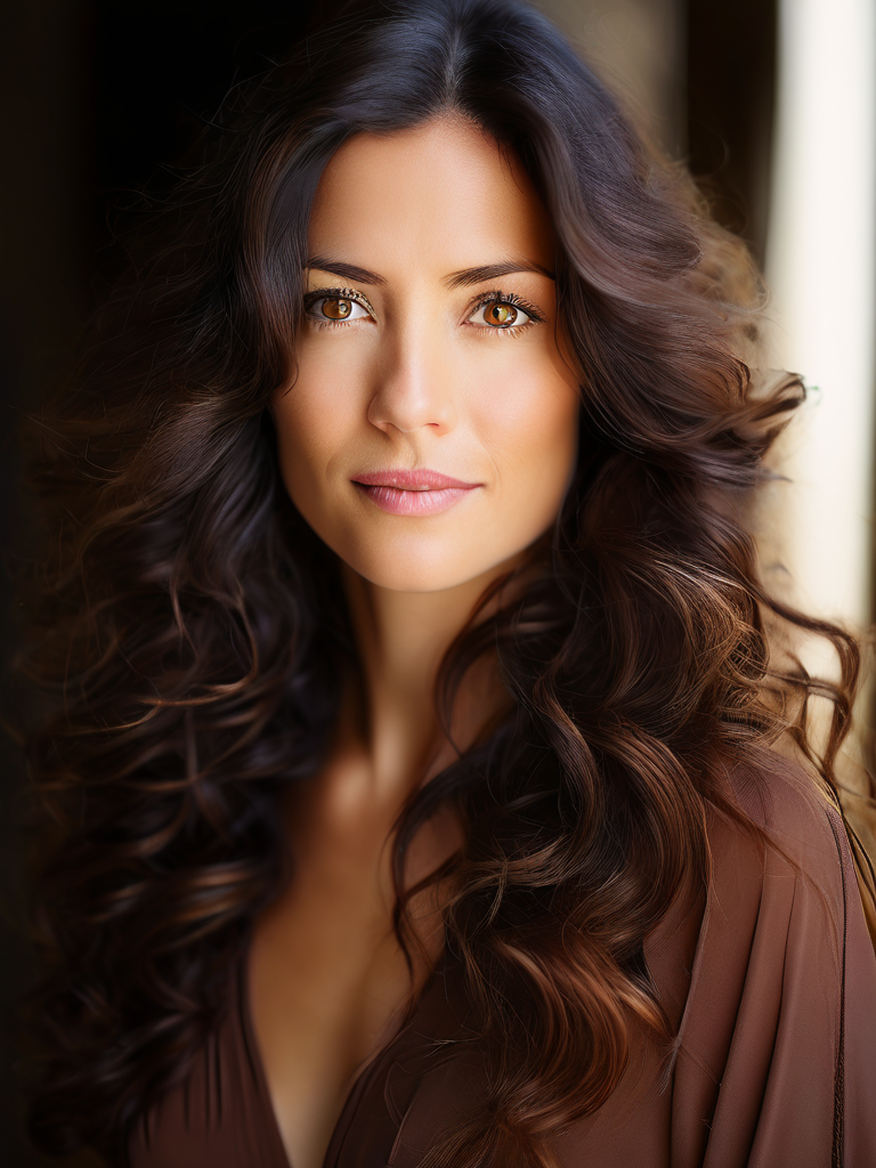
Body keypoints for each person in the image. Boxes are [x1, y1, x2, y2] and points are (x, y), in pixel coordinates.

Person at [16, 0, 876, 1165]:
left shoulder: (743, 861)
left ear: (596, 361)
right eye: (340, 303)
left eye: (497, 309)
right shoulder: (174, 800)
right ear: (255, 353)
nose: (409, 396)